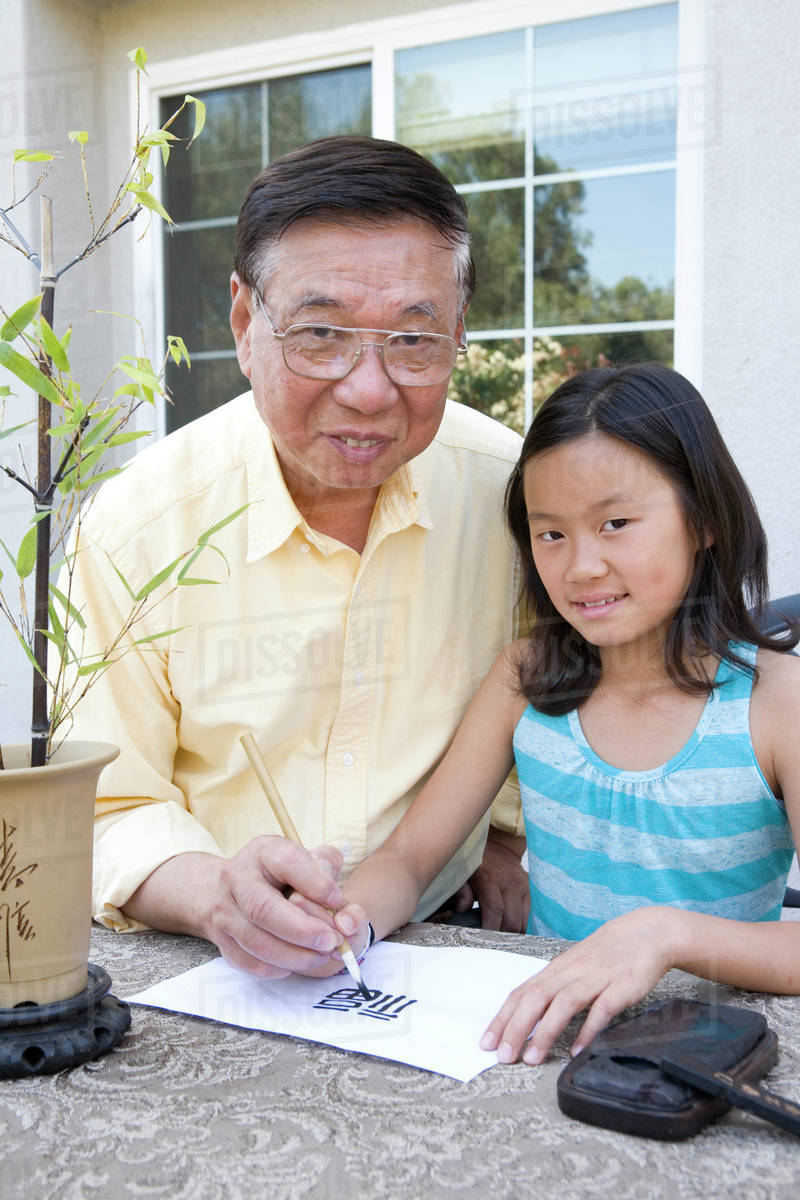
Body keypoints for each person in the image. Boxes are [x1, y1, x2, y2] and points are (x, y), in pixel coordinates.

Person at [70, 135, 530, 974]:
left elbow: (565, 690)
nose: (367, 387)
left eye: (414, 340)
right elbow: (103, 802)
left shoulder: (514, 498)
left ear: (459, 334)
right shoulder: (138, 526)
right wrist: (217, 894)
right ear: (246, 324)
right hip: (206, 960)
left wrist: (499, 836)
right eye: (321, 333)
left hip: (444, 947)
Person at [325, 361, 800, 1064]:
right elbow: (410, 856)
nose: (580, 567)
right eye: (551, 534)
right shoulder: (526, 678)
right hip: (537, 1046)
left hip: (703, 1061)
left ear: (702, 519)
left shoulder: (776, 702)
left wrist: (663, 934)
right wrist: (343, 924)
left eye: (615, 524)